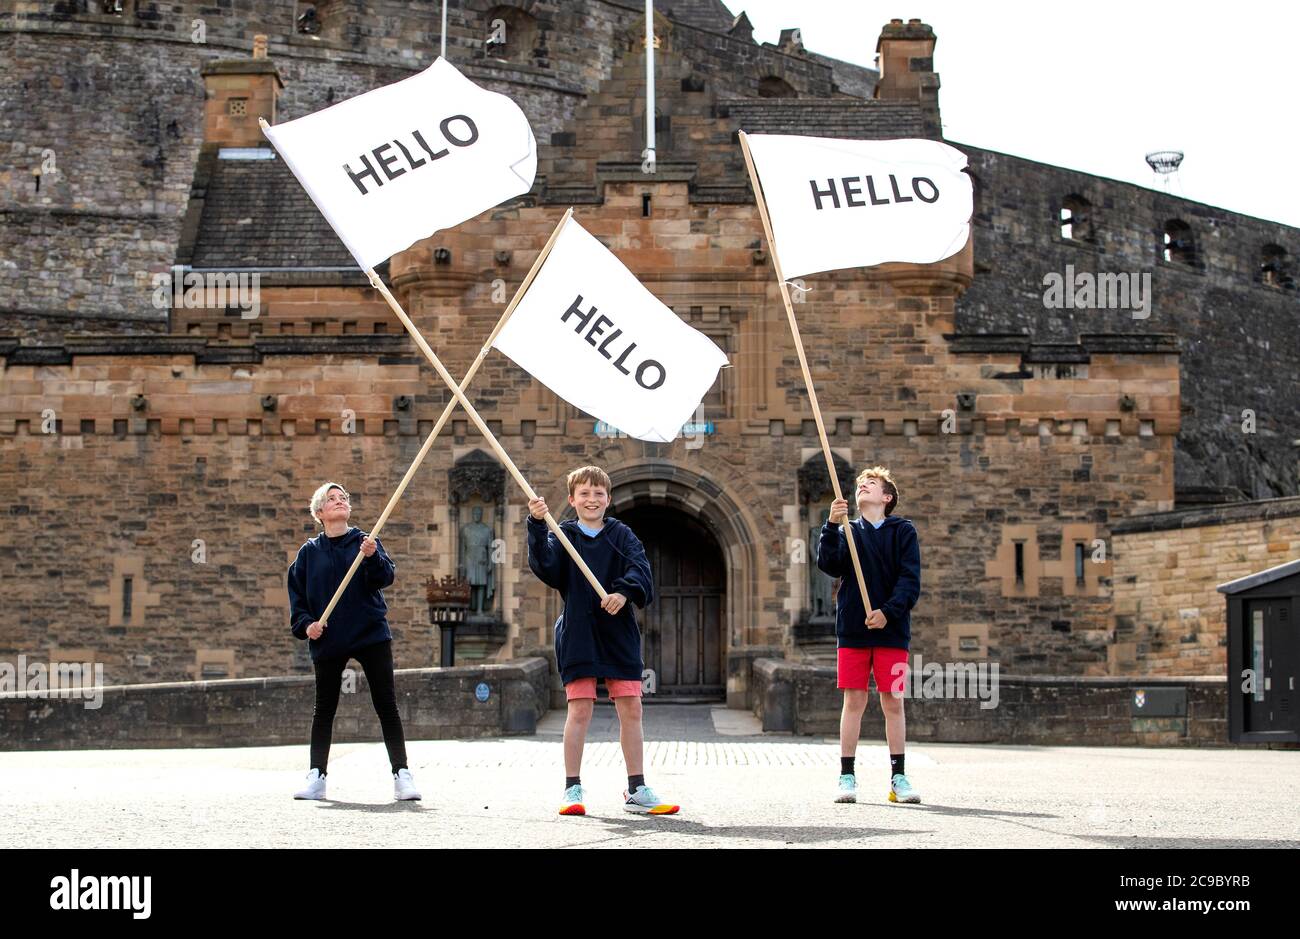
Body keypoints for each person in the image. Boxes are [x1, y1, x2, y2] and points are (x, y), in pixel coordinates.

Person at [526, 465, 678, 817]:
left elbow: (641, 572)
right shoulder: (563, 535)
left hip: (618, 632)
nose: (591, 499)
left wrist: (623, 593)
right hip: (579, 631)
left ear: (608, 499)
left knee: (632, 708)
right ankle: (572, 788)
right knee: (580, 709)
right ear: (571, 499)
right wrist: (536, 525)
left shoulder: (621, 535)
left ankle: (637, 788)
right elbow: (545, 566)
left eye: (598, 494)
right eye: (584, 494)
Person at [286, 481, 420, 802]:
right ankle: (316, 775)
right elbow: (298, 601)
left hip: (370, 632)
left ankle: (402, 774)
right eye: (331, 499)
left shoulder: (365, 542)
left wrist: (372, 557)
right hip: (330, 637)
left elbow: (384, 577)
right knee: (324, 709)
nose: (339, 501)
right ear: (320, 513)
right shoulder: (309, 554)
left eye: (343, 497)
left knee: (386, 704)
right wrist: (307, 626)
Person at [816, 466, 922, 805]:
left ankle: (898, 777)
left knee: (892, 700)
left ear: (886, 497)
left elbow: (910, 581)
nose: (863, 486)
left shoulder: (903, 531)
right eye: (860, 484)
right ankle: (846, 775)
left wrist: (887, 612)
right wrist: (831, 525)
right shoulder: (848, 529)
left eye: (871, 484)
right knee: (854, 700)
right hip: (853, 627)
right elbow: (829, 564)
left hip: (892, 630)